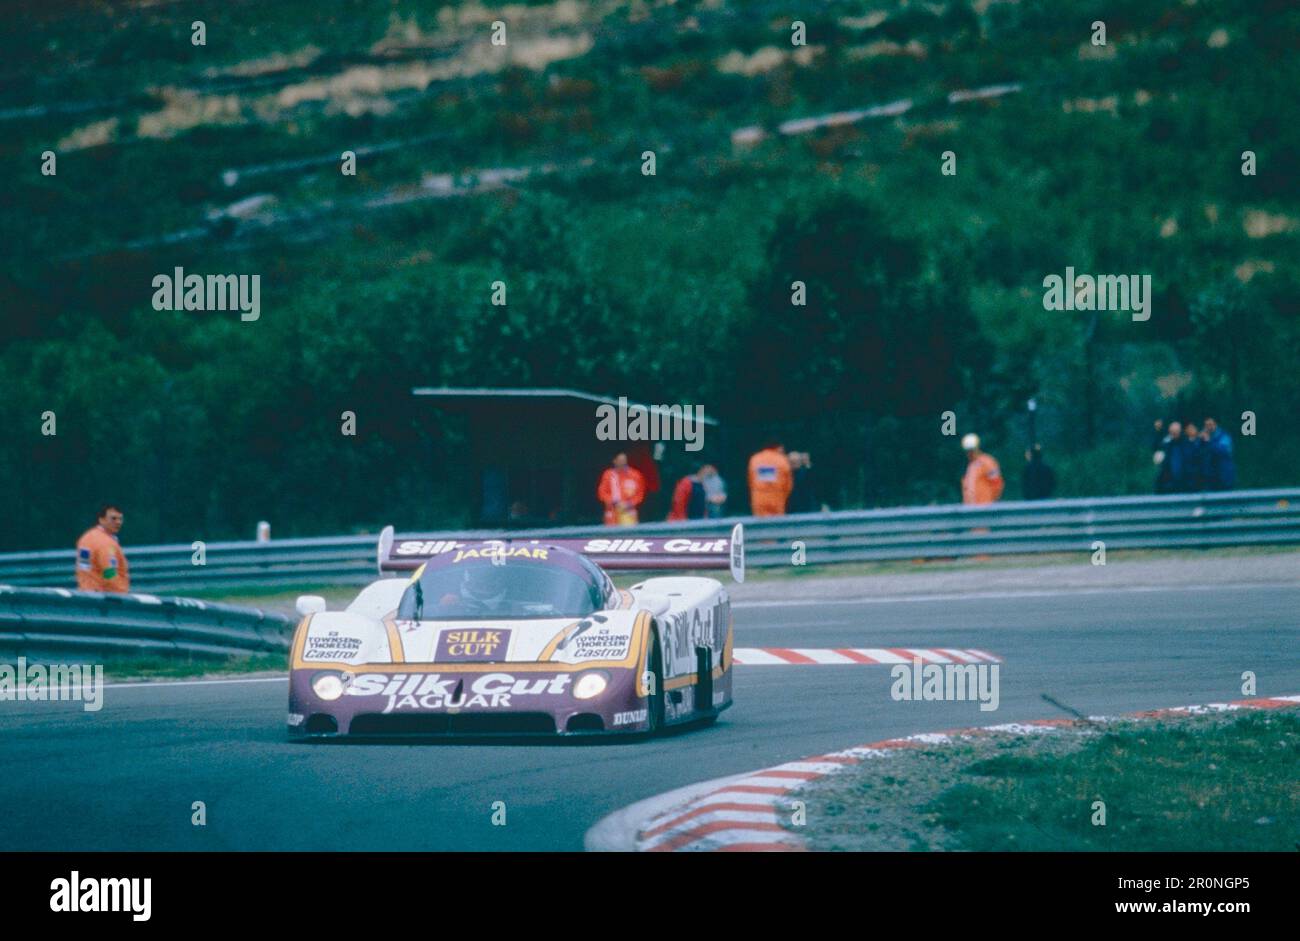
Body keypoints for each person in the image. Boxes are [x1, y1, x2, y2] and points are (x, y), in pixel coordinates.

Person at [75, 504, 130, 593]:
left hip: (85, 592)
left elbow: (83, 567)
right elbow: (109, 571)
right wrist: (121, 592)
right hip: (104, 596)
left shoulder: (86, 538)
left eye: (120, 519)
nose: (118, 522)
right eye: (113, 518)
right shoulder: (106, 543)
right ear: (101, 520)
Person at [596, 452, 646, 525]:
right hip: (612, 514)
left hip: (629, 513)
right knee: (611, 535)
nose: (623, 462)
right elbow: (602, 493)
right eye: (620, 460)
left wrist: (630, 503)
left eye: (624, 460)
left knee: (630, 535)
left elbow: (640, 494)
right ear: (614, 461)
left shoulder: (635, 475)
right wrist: (613, 501)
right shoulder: (608, 475)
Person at [748, 440, 793, 516]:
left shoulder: (755, 459)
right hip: (777, 499)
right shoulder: (782, 460)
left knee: (760, 525)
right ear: (779, 448)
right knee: (777, 525)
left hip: (759, 499)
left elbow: (751, 481)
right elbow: (788, 484)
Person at [960, 434, 1004, 505]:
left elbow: (997, 484)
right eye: (967, 451)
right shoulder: (970, 466)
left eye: (971, 450)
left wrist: (991, 501)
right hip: (971, 509)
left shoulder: (988, 462)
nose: (969, 453)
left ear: (977, 448)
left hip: (985, 508)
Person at [1202, 417, 1236, 490]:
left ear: (1215, 424)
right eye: (1206, 425)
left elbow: (1224, 451)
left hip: (1224, 476)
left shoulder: (1224, 436)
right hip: (1210, 477)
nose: (1208, 427)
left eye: (1210, 424)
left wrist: (1209, 441)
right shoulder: (1203, 439)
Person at [1154, 420, 1184, 493]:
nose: (1174, 433)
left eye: (1176, 431)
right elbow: (1157, 461)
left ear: (1180, 431)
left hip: (1184, 484)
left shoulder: (1186, 445)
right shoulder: (1164, 446)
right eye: (1172, 431)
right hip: (1167, 485)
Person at [1181, 422, 1206, 492]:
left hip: (1200, 475)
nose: (1191, 430)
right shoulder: (1183, 443)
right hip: (1187, 475)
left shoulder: (1202, 442)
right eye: (1188, 429)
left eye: (1192, 428)